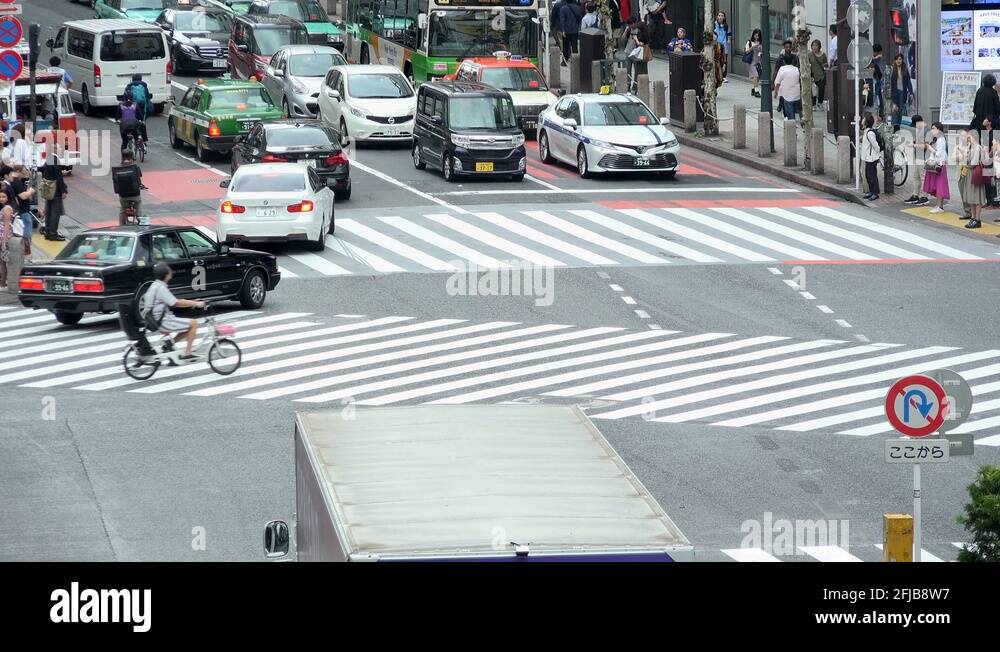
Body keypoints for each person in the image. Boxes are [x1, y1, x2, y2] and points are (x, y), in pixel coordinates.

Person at [142, 263, 206, 361]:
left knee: (187, 327)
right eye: (169, 270)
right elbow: (176, 303)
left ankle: (168, 345)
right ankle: (188, 353)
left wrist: (192, 302)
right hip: (162, 321)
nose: (171, 271)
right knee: (194, 323)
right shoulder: (161, 288)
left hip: (155, 319)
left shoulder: (154, 285)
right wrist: (196, 304)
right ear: (167, 274)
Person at [4, 164, 35, 260]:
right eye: (25, 170)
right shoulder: (15, 182)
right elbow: (22, 196)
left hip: (19, 212)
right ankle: (26, 254)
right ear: (18, 171)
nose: (26, 172)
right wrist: (31, 191)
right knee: (26, 235)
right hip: (23, 212)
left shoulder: (12, 183)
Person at [39, 144, 68, 241]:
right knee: (55, 212)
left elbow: (43, 170)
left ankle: (47, 231)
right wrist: (63, 190)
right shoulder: (55, 159)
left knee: (48, 211)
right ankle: (53, 233)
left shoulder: (48, 159)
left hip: (48, 188)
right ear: (55, 149)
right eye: (60, 148)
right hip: (55, 190)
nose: (61, 149)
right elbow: (59, 176)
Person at [922, 122, 950, 214]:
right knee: (939, 185)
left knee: (940, 185)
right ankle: (939, 205)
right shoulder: (939, 139)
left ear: (939, 129)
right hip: (939, 164)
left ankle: (940, 206)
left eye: (933, 128)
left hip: (939, 165)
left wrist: (930, 148)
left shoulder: (941, 140)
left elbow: (939, 154)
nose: (932, 130)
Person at [114, 151, 148, 224]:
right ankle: (140, 220)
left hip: (123, 196)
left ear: (122, 157)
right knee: (139, 204)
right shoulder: (135, 167)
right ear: (132, 157)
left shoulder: (118, 168)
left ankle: (121, 225)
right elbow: (139, 179)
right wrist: (141, 186)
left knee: (123, 209)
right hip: (135, 194)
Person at [904, 114, 930, 207]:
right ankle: (915, 195)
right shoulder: (920, 130)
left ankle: (924, 197)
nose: (915, 127)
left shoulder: (926, 131)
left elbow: (925, 146)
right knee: (916, 176)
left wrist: (913, 145)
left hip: (923, 158)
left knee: (923, 178)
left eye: (915, 125)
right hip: (918, 157)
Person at [860, 113, 882, 201]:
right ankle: (871, 191)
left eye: (863, 119)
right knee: (868, 175)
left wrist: (876, 155)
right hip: (867, 157)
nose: (862, 120)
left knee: (872, 176)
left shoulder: (870, 133)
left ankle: (875, 193)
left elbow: (876, 146)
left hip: (871, 158)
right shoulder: (866, 131)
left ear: (866, 121)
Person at [773, 54, 801, 121]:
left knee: (790, 113)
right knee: (794, 110)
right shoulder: (796, 69)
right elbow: (799, 80)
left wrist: (776, 92)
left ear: (784, 61)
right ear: (793, 61)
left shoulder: (782, 69)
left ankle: (792, 126)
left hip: (786, 94)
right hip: (796, 93)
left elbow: (777, 82)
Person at [889, 54, 914, 130]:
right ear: (895, 60)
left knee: (900, 110)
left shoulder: (905, 70)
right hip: (894, 93)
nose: (898, 61)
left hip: (903, 93)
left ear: (902, 60)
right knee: (894, 110)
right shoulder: (892, 70)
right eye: (897, 59)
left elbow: (908, 82)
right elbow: (889, 83)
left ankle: (898, 125)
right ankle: (895, 126)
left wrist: (911, 92)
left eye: (900, 59)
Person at [865, 43, 884, 117]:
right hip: (874, 82)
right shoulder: (872, 59)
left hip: (877, 81)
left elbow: (880, 73)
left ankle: (879, 114)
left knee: (878, 97)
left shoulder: (878, 59)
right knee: (876, 98)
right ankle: (876, 115)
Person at [714, 11, 732, 83]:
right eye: (719, 15)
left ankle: (723, 76)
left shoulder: (726, 26)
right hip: (716, 45)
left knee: (724, 61)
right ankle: (716, 75)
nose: (720, 17)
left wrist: (729, 40)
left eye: (722, 16)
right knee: (716, 60)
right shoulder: (714, 24)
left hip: (724, 46)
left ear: (724, 17)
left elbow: (729, 35)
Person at [809, 40, 828, 109]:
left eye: (816, 45)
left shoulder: (823, 55)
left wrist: (824, 65)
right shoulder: (810, 55)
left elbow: (826, 64)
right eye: (813, 45)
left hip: (821, 75)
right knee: (813, 90)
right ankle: (813, 105)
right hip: (813, 75)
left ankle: (820, 103)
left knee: (821, 89)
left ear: (819, 47)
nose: (814, 47)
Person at [746, 29, 763, 98]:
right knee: (755, 75)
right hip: (751, 61)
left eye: (758, 36)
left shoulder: (761, 43)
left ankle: (753, 89)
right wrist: (753, 47)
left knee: (758, 76)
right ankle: (756, 91)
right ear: (753, 35)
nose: (757, 37)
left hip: (758, 61)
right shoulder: (749, 42)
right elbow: (746, 51)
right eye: (756, 35)